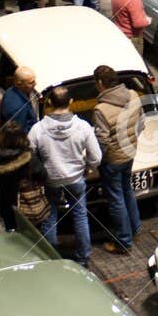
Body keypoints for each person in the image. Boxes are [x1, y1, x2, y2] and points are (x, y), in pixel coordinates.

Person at [28, 86, 100, 266]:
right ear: (71, 102)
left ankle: (51, 258)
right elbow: (96, 156)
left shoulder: (38, 129)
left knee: (50, 216)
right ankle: (83, 257)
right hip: (75, 179)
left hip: (51, 179)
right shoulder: (82, 127)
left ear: (50, 103)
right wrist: (89, 168)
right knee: (80, 215)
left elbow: (28, 154)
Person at [91, 64, 143, 254]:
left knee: (116, 199)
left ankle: (124, 241)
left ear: (100, 83)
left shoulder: (101, 109)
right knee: (127, 190)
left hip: (112, 160)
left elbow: (102, 141)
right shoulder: (134, 96)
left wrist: (94, 162)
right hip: (130, 153)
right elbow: (142, 124)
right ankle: (135, 227)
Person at [0, 126, 35, 233]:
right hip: (26, 201)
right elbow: (42, 175)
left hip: (5, 202)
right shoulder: (28, 157)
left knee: (11, 230)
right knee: (29, 233)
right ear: (22, 138)